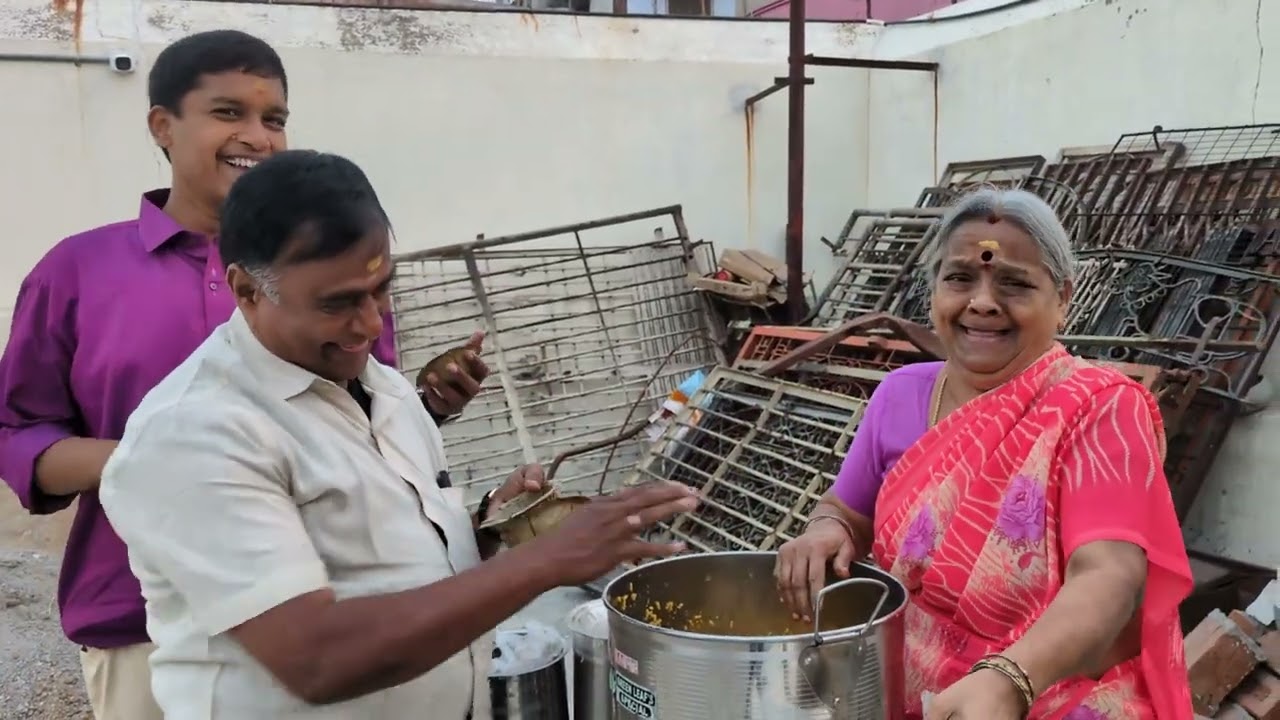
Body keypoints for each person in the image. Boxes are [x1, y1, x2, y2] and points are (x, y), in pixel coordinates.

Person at [96, 149, 698, 719]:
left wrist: (487, 527)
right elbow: (316, 658)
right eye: (337, 304)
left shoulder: (378, 385)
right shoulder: (194, 432)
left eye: (381, 288)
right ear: (248, 290)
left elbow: (388, 557)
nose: (368, 324)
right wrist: (548, 561)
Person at [0, 30, 485, 720]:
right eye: (229, 112)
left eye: (275, 118)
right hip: (138, 621)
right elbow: (18, 433)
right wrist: (160, 460)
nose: (257, 136)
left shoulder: (335, 267)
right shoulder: (78, 272)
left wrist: (426, 406)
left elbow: (357, 419)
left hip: (332, 609)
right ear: (162, 126)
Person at [774, 188, 1194, 720]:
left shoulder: (1099, 409)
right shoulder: (900, 395)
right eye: (960, 278)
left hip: (1048, 696)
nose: (982, 302)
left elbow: (1108, 574)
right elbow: (845, 511)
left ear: (1063, 298)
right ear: (934, 289)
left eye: (1014, 283)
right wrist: (824, 532)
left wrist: (1010, 680)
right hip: (906, 691)